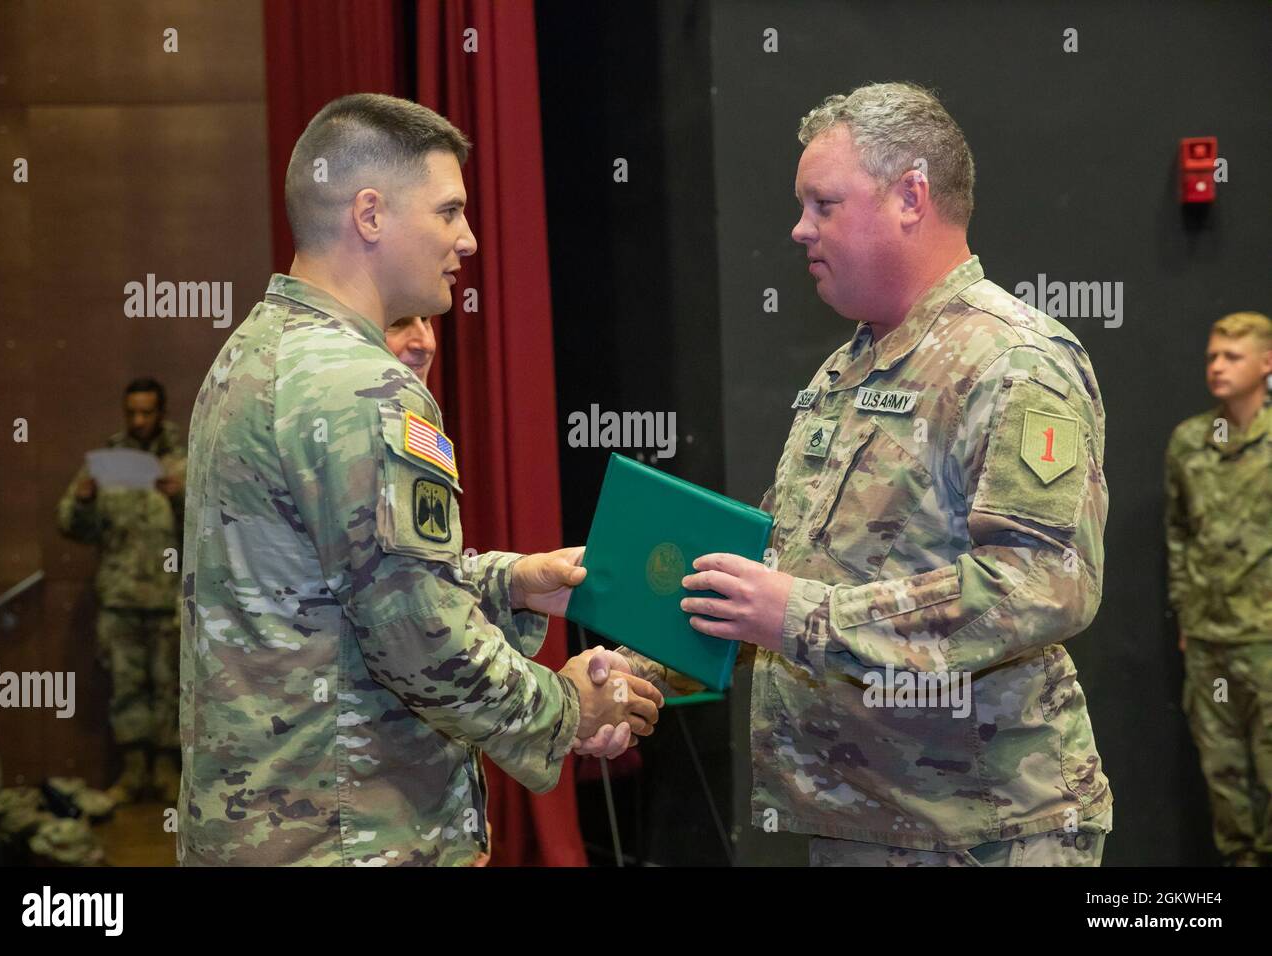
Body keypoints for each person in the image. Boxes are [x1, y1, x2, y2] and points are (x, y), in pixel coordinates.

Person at [630, 82, 1113, 866]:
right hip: (861, 820)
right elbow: (785, 572)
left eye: (823, 204)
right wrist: (640, 666)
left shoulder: (1015, 361)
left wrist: (805, 617)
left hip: (984, 833)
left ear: (910, 197)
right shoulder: (848, 369)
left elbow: (1044, 584)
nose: (800, 228)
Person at [178, 93, 662, 867]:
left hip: (271, 828)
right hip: (351, 836)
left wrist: (510, 585)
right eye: (448, 211)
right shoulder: (363, 385)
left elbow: (338, 587)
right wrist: (567, 707)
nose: (467, 239)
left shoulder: (255, 351)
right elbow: (421, 639)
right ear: (370, 215)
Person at [1165, 310, 1272, 866]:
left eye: (1232, 356)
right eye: (1212, 356)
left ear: (1266, 362)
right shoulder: (1190, 442)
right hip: (1211, 645)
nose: (1218, 366)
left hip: (1266, 642)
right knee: (1224, 777)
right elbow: (1179, 535)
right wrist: (1186, 614)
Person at [57, 378, 185, 804]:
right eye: (132, 412)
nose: (138, 420)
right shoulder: (107, 464)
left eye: (147, 412)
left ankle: (167, 771)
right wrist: (83, 500)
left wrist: (181, 496)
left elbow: (215, 524)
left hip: (169, 596)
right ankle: (133, 771)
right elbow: (72, 526)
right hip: (119, 596)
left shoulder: (184, 462)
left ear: (161, 412)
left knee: (170, 684)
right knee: (125, 684)